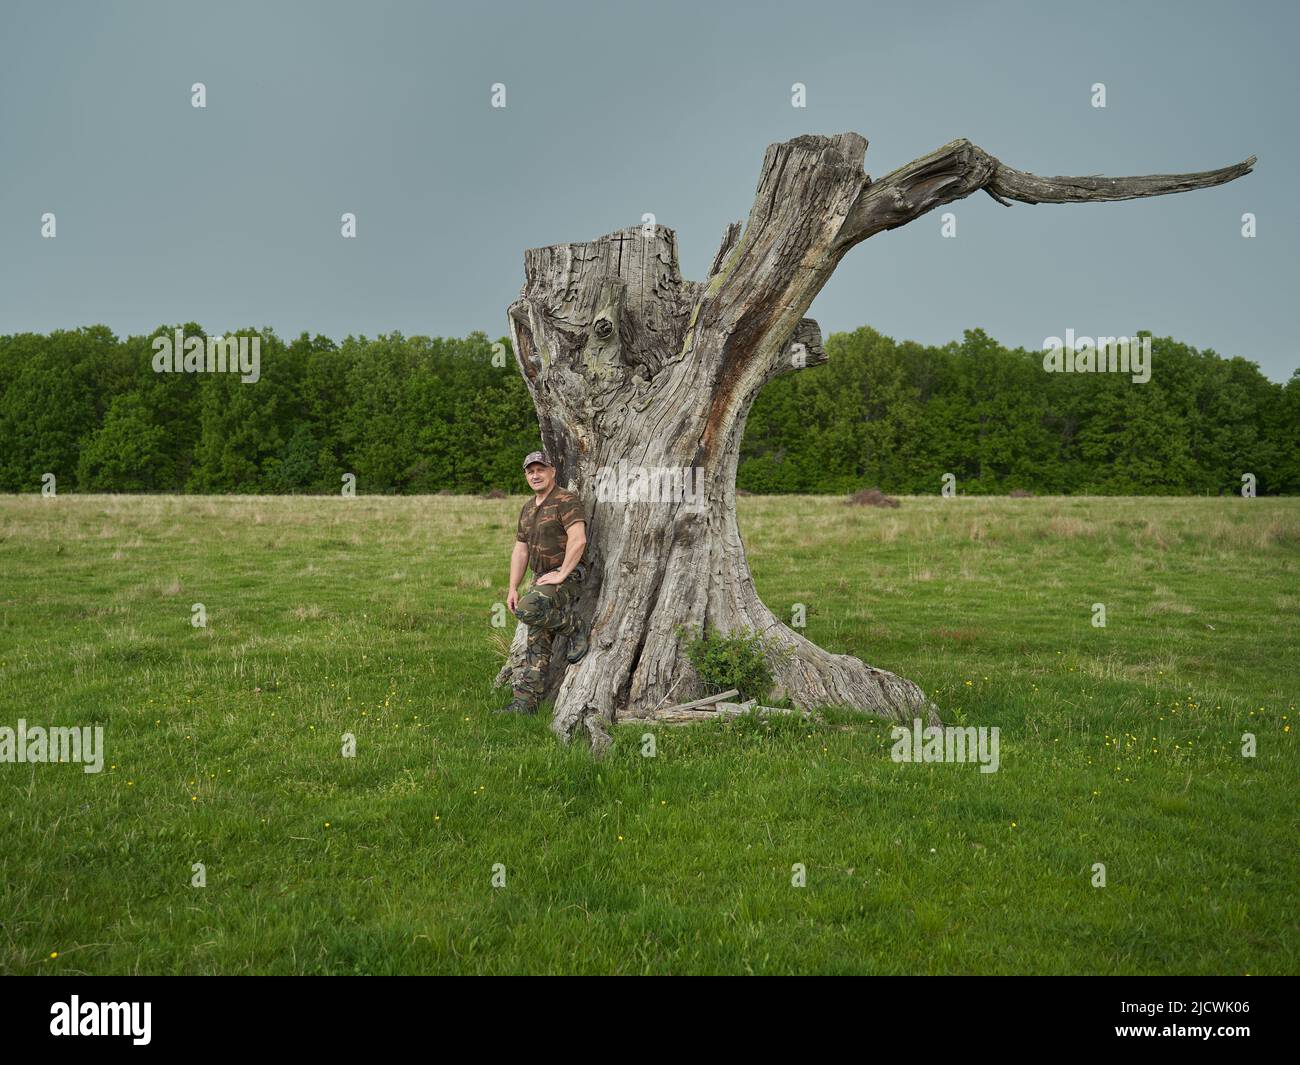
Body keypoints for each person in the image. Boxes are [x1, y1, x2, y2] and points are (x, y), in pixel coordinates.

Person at [497, 451, 590, 715]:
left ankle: (575, 627)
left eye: (540, 469)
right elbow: (520, 551)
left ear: (552, 471)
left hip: (569, 575)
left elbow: (579, 539)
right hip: (542, 580)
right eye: (530, 471)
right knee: (536, 639)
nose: (535, 475)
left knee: (528, 610)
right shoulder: (527, 509)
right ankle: (525, 703)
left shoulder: (566, 500)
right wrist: (513, 587)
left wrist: (562, 574)